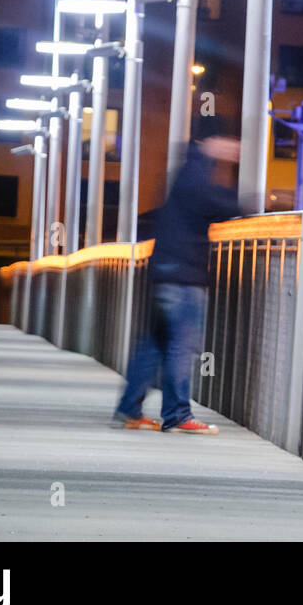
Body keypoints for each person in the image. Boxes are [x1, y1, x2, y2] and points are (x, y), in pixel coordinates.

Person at [114, 123, 241, 433]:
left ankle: (130, 409)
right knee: (181, 345)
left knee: (155, 344)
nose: (234, 148)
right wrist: (249, 203)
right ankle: (178, 415)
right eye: (228, 141)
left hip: (168, 271)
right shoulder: (196, 171)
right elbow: (216, 205)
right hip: (183, 275)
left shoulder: (190, 169)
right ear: (210, 140)